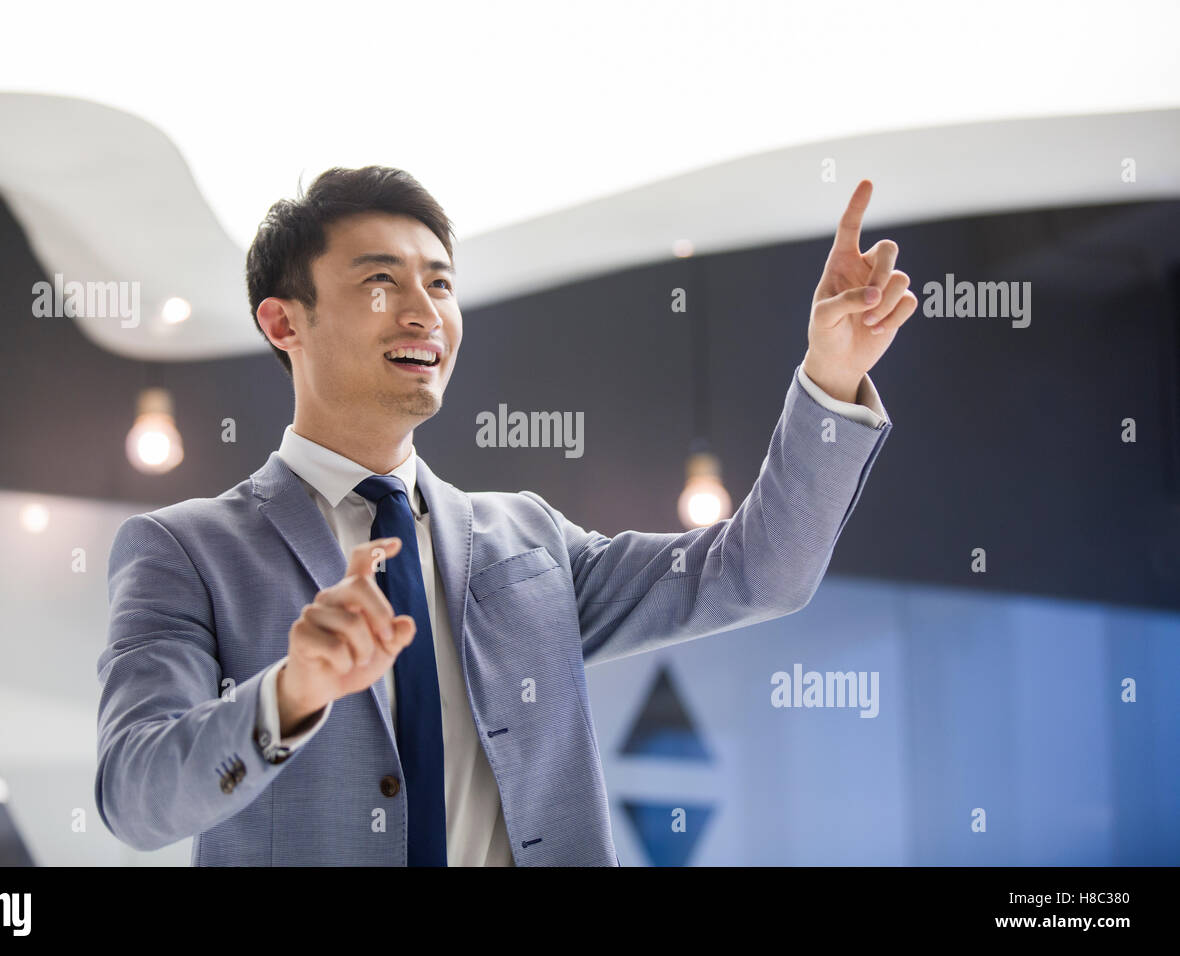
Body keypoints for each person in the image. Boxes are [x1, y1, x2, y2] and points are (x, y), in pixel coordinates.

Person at [95, 166, 915, 866]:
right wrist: (292, 692)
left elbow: (757, 574)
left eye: (441, 282)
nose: (424, 312)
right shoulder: (184, 550)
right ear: (284, 321)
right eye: (381, 281)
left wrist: (830, 377)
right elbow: (135, 797)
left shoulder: (528, 539)